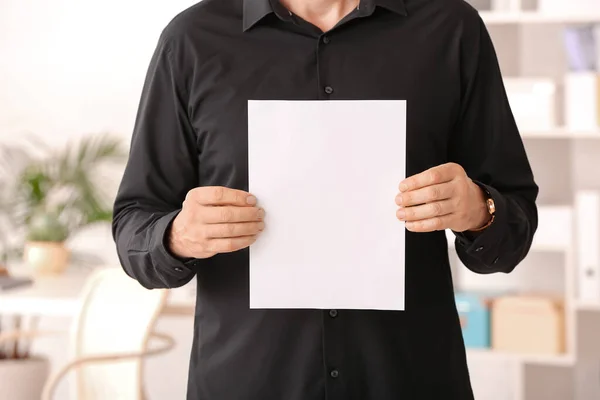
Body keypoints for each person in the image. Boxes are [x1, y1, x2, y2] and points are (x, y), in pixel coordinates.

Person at [112, 0, 538, 398]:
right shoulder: (192, 39)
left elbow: (513, 228)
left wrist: (480, 210)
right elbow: (135, 221)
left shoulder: (450, 28)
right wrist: (177, 237)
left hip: (408, 377)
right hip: (248, 381)